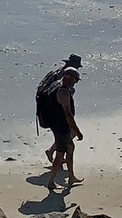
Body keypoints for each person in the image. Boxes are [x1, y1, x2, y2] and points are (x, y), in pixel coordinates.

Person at [34, 54, 84, 190]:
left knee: (70, 148)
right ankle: (51, 182)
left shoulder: (56, 81)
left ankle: (71, 177)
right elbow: (67, 114)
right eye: (75, 80)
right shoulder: (63, 91)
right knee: (60, 154)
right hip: (61, 125)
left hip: (59, 123)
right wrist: (77, 131)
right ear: (69, 78)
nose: (75, 83)